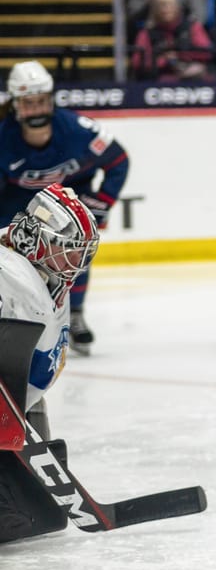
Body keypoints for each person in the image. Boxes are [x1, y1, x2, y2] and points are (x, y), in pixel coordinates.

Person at [0, 61, 129, 356]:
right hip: (15, 201)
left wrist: (102, 202)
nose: (36, 110)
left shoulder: (77, 130)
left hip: (66, 199)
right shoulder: (2, 138)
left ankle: (75, 314)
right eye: (28, 103)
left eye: (41, 102)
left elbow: (119, 161)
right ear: (15, 106)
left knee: (73, 249)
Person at [0, 184, 100, 540]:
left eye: (82, 254)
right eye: (68, 252)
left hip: (18, 398)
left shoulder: (42, 274)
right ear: (34, 239)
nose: (77, 264)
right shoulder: (9, 274)